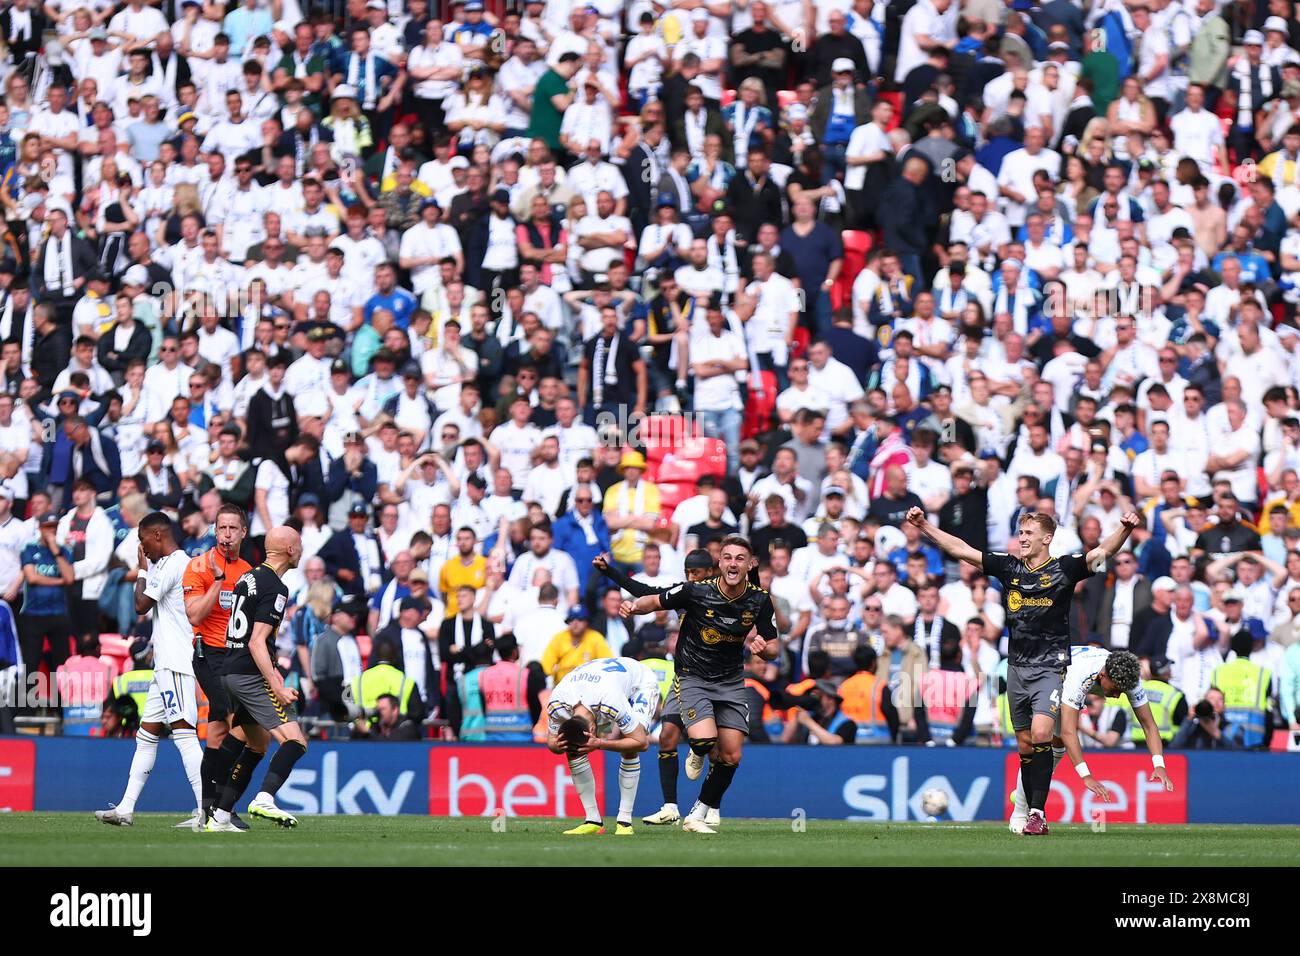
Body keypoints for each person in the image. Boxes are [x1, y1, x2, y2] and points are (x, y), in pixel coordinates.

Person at [906, 505, 1139, 835]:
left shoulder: (1066, 568)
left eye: (1029, 533)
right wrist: (925, 525)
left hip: (1051, 667)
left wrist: (1125, 529)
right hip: (1016, 668)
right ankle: (1027, 809)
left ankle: (1038, 814)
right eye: (1020, 532)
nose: (1022, 538)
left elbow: (1103, 551)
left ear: (1047, 538)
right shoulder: (1008, 567)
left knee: (1044, 733)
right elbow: (959, 549)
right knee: (1027, 746)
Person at [620, 535, 779, 834]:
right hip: (693, 675)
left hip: (731, 680)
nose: (733, 563)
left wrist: (763, 648)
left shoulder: (759, 599)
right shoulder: (696, 591)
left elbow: (772, 646)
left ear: (749, 564)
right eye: (728, 557)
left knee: (732, 754)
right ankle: (697, 751)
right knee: (705, 740)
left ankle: (698, 814)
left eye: (740, 558)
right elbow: (655, 599)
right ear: (719, 563)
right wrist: (633, 607)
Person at [95, 512, 205, 830]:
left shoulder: (172, 564)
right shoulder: (174, 563)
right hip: (165, 665)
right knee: (146, 736)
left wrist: (143, 570)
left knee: (184, 735)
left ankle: (205, 812)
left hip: (176, 663)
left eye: (143, 541)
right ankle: (126, 808)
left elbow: (141, 604)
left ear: (157, 536)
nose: (142, 549)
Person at [594, 548, 716, 826]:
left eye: (696, 573)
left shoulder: (724, 597)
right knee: (667, 738)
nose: (691, 578)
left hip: (716, 678)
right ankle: (670, 807)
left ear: (710, 572)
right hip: (684, 676)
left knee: (711, 745)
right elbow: (645, 589)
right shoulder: (684, 594)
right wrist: (610, 572)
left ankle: (713, 806)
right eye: (688, 573)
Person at [1009, 646, 1175, 833]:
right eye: (1115, 689)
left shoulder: (1129, 676)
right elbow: (1069, 731)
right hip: (1053, 673)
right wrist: (1086, 776)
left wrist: (1159, 764)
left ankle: (1031, 788)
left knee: (1058, 746)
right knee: (1046, 739)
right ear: (1103, 676)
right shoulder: (1079, 675)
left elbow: (1149, 725)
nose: (1117, 695)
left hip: (1072, 671)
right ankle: (1021, 812)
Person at [207, 526, 307, 832]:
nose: (301, 550)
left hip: (230, 669)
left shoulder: (248, 578)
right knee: (295, 741)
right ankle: (264, 798)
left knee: (257, 744)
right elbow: (256, 641)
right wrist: (276, 684)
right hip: (250, 674)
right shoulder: (276, 587)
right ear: (290, 550)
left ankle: (220, 815)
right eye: (299, 545)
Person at [181, 503, 253, 827]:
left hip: (235, 657)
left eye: (232, 528)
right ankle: (225, 806)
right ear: (215, 530)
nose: (226, 535)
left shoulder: (250, 572)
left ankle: (207, 810)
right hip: (207, 654)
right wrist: (218, 581)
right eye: (221, 528)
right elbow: (195, 615)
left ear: (243, 532)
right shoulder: (198, 566)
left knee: (217, 732)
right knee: (238, 723)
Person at [545, 654, 659, 835]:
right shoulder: (557, 704)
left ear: (593, 727)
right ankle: (593, 820)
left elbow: (641, 743)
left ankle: (624, 821)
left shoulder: (611, 701)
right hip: (596, 683)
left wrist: (599, 743)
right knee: (572, 748)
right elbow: (551, 741)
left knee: (629, 741)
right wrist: (559, 746)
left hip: (638, 683)